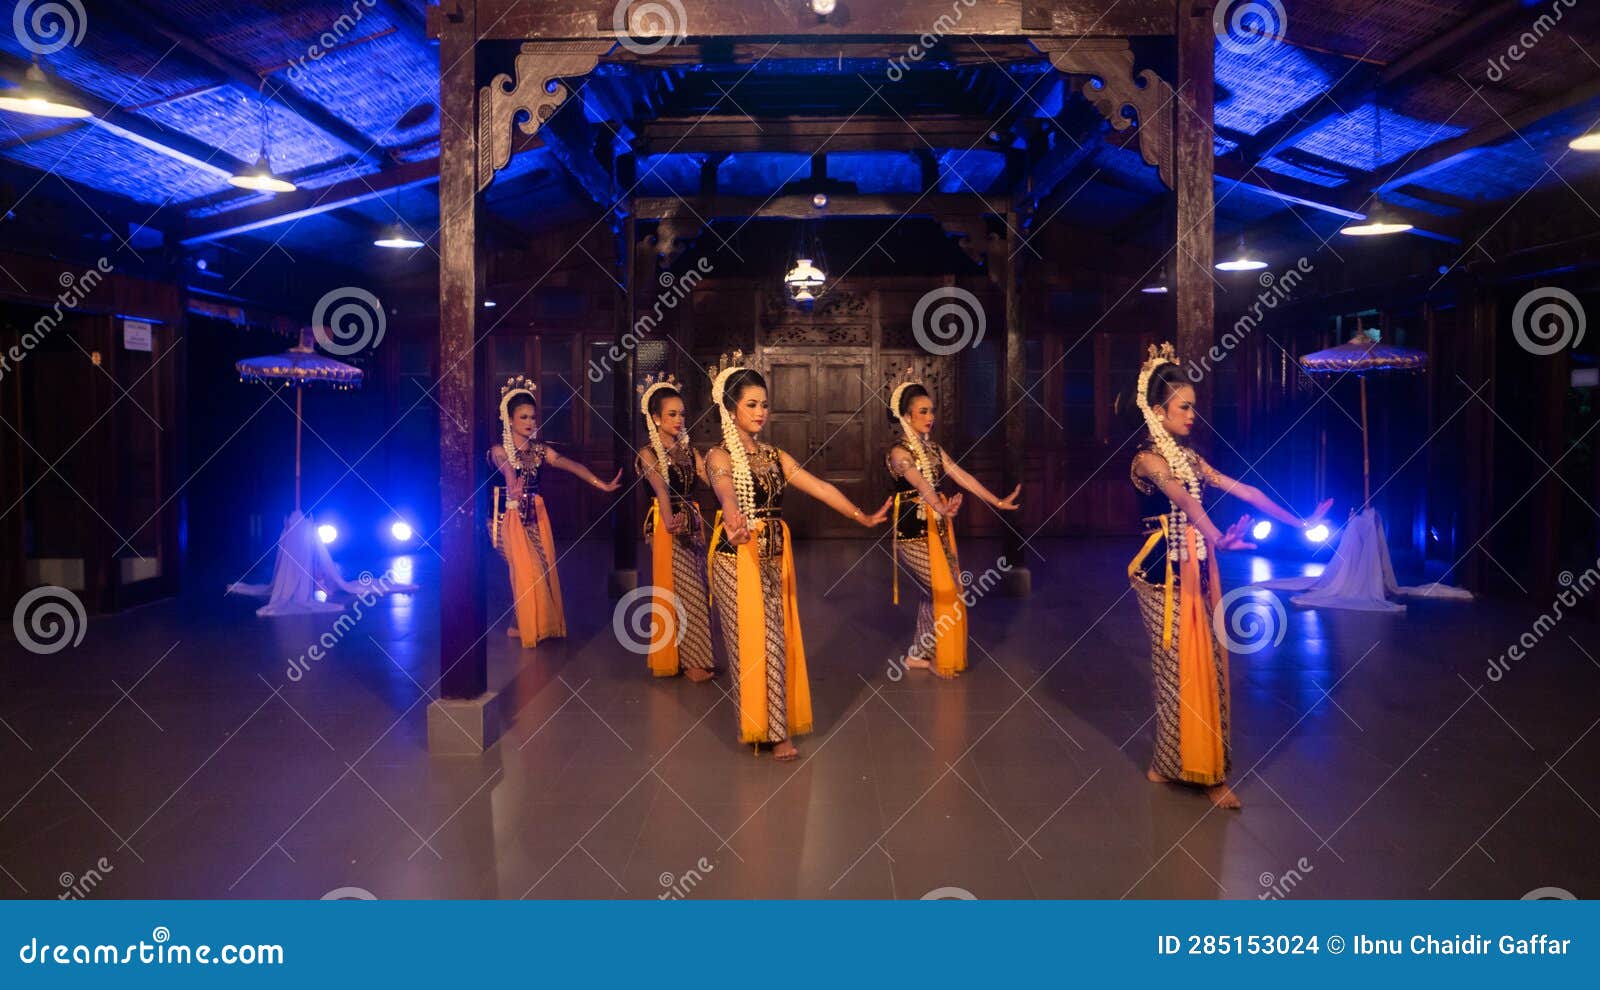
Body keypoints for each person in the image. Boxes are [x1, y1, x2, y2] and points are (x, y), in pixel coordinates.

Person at [1128, 344, 1331, 809]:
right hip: (1160, 573)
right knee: (1174, 669)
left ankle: (1204, 769)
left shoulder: (1191, 457)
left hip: (1197, 567)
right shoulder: (1148, 461)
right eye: (1184, 407)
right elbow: (1184, 500)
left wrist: (1298, 522)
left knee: (1210, 664)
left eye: (1194, 407)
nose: (1193, 415)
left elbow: (1246, 488)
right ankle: (1177, 765)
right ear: (1158, 411)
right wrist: (1218, 535)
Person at [703, 351, 890, 760]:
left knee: (775, 638)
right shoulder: (719, 455)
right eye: (751, 404)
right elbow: (725, 490)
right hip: (734, 557)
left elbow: (820, 487)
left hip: (772, 554)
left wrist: (862, 516)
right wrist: (734, 517)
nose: (761, 412)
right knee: (752, 643)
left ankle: (765, 725)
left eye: (764, 404)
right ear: (731, 408)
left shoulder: (773, 456)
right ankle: (770, 731)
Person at [884, 369, 1021, 678]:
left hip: (937, 529)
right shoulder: (898, 453)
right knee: (944, 588)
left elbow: (962, 475)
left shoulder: (933, 449)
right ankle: (936, 657)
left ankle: (918, 654)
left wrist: (996, 501)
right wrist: (939, 506)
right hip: (911, 535)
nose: (930, 417)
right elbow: (919, 483)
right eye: (922, 412)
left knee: (935, 590)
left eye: (931, 411)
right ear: (906, 417)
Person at [488, 375, 622, 647]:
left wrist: (602, 484)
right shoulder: (499, 450)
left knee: (540, 569)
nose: (530, 423)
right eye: (523, 417)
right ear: (510, 420)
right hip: (505, 519)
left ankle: (520, 624)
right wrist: (512, 483)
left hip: (535, 515)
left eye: (533, 417)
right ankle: (528, 626)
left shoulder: (539, 450)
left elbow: (569, 464)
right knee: (527, 569)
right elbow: (504, 466)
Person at [636, 373, 716, 681]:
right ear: (655, 418)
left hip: (693, 523)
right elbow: (660, 489)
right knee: (687, 591)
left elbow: (708, 478)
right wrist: (670, 521)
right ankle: (692, 662)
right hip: (666, 524)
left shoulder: (688, 450)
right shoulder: (648, 453)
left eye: (682, 414)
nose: (679, 419)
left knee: (695, 588)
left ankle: (690, 657)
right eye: (672, 414)